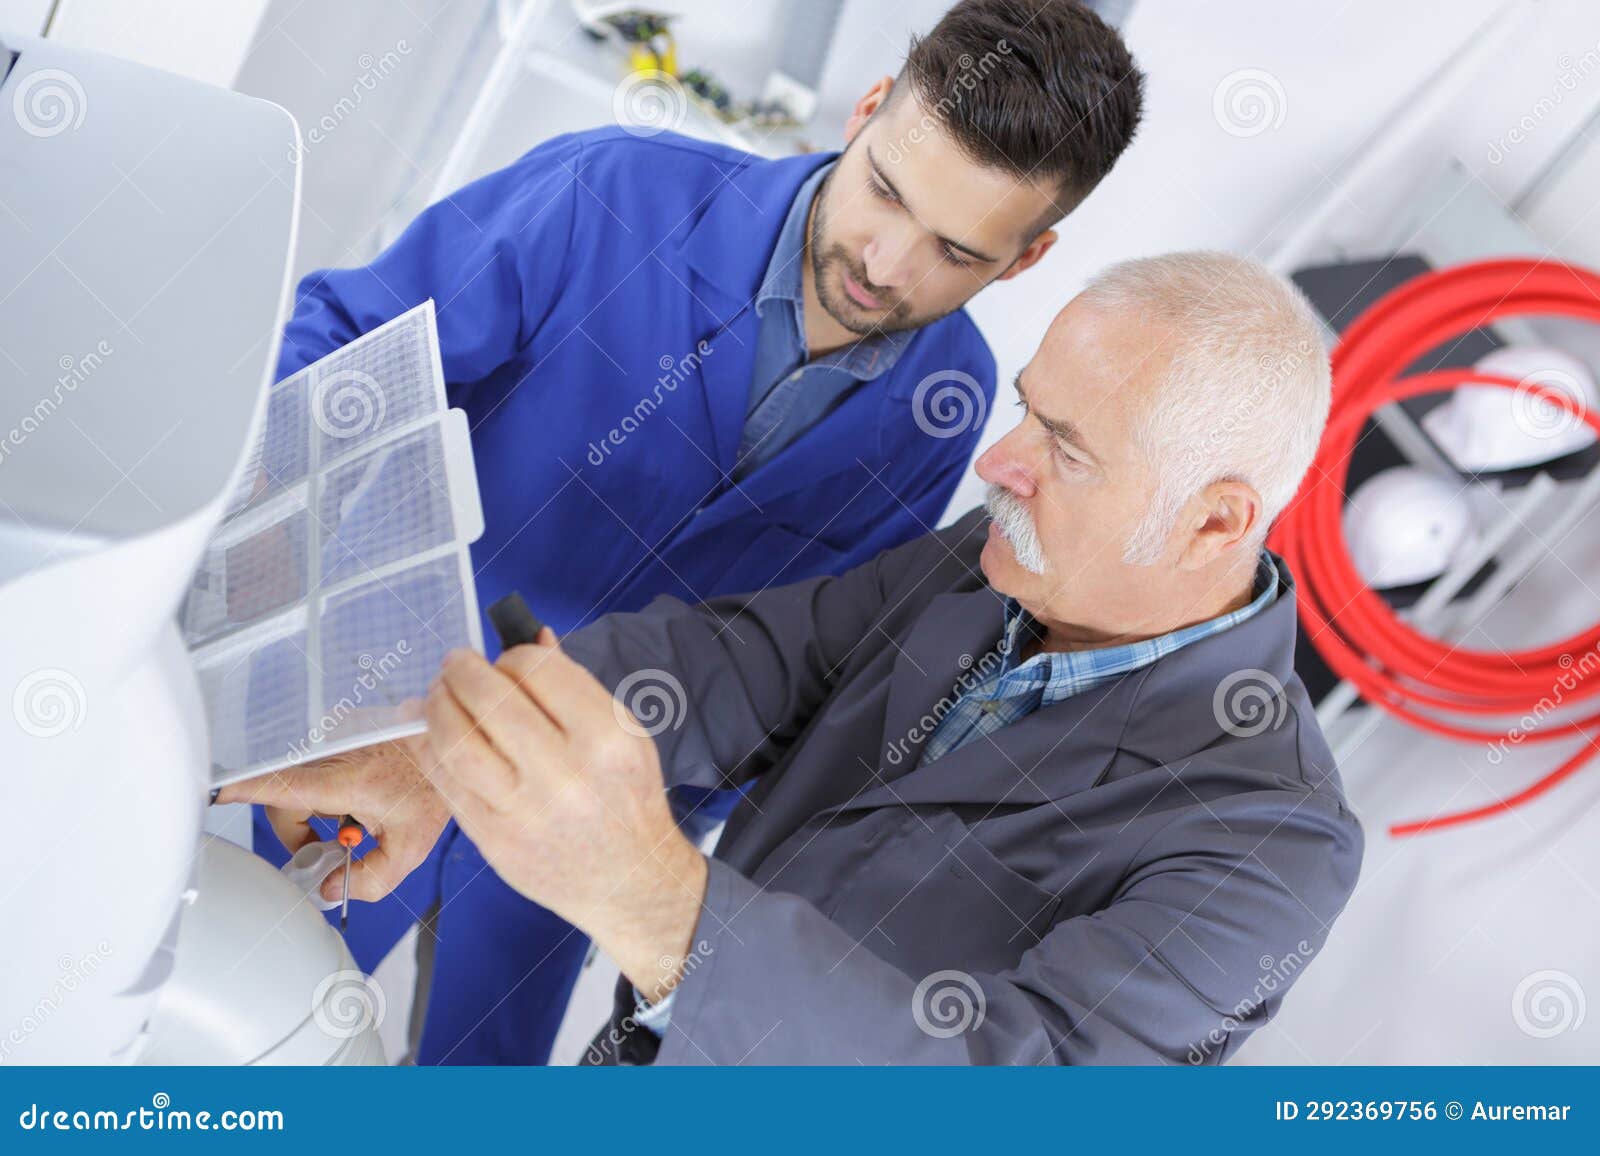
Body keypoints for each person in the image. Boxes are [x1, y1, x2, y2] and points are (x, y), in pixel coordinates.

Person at [242, 0, 1146, 1063]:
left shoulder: (951, 400)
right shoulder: (609, 193)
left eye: (952, 248)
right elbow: (343, 356)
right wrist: (270, 634)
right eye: (885, 191)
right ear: (864, 113)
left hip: (581, 821)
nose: (885, 264)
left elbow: (808, 653)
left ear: (1025, 258)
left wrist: (670, 830)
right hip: (374, 720)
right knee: (232, 1021)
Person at [226, 250, 1364, 1065]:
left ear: (1215, 522)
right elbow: (733, 664)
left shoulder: (1269, 840)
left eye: (1063, 449)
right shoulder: (989, 562)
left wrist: (657, 905)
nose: (997, 465)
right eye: (1026, 412)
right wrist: (452, 745)